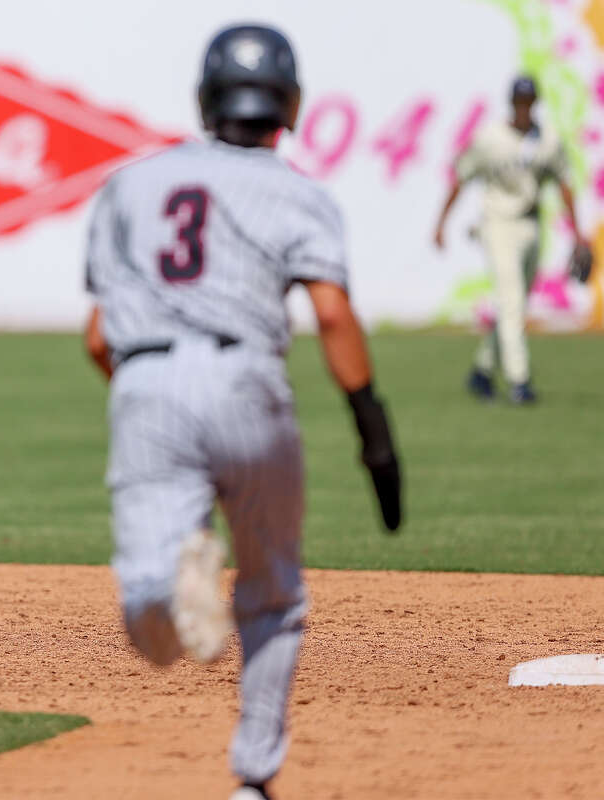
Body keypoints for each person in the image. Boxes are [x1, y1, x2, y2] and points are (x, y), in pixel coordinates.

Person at [83, 25, 402, 800]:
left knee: (148, 615)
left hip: (146, 376)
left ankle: (167, 588)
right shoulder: (301, 194)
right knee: (273, 593)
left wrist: (151, 405)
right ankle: (254, 782)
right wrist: (373, 432)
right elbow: (331, 316)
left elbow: (98, 337)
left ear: (206, 97)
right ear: (288, 104)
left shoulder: (131, 184)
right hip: (248, 381)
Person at [434, 76, 588, 404]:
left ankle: (482, 370)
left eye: (529, 101)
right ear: (511, 103)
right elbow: (461, 177)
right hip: (497, 224)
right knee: (513, 300)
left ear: (535, 103)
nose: (524, 106)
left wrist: (576, 233)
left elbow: (564, 184)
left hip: (531, 225)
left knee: (513, 305)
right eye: (520, 101)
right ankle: (519, 381)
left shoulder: (546, 140)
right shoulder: (490, 138)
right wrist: (441, 223)